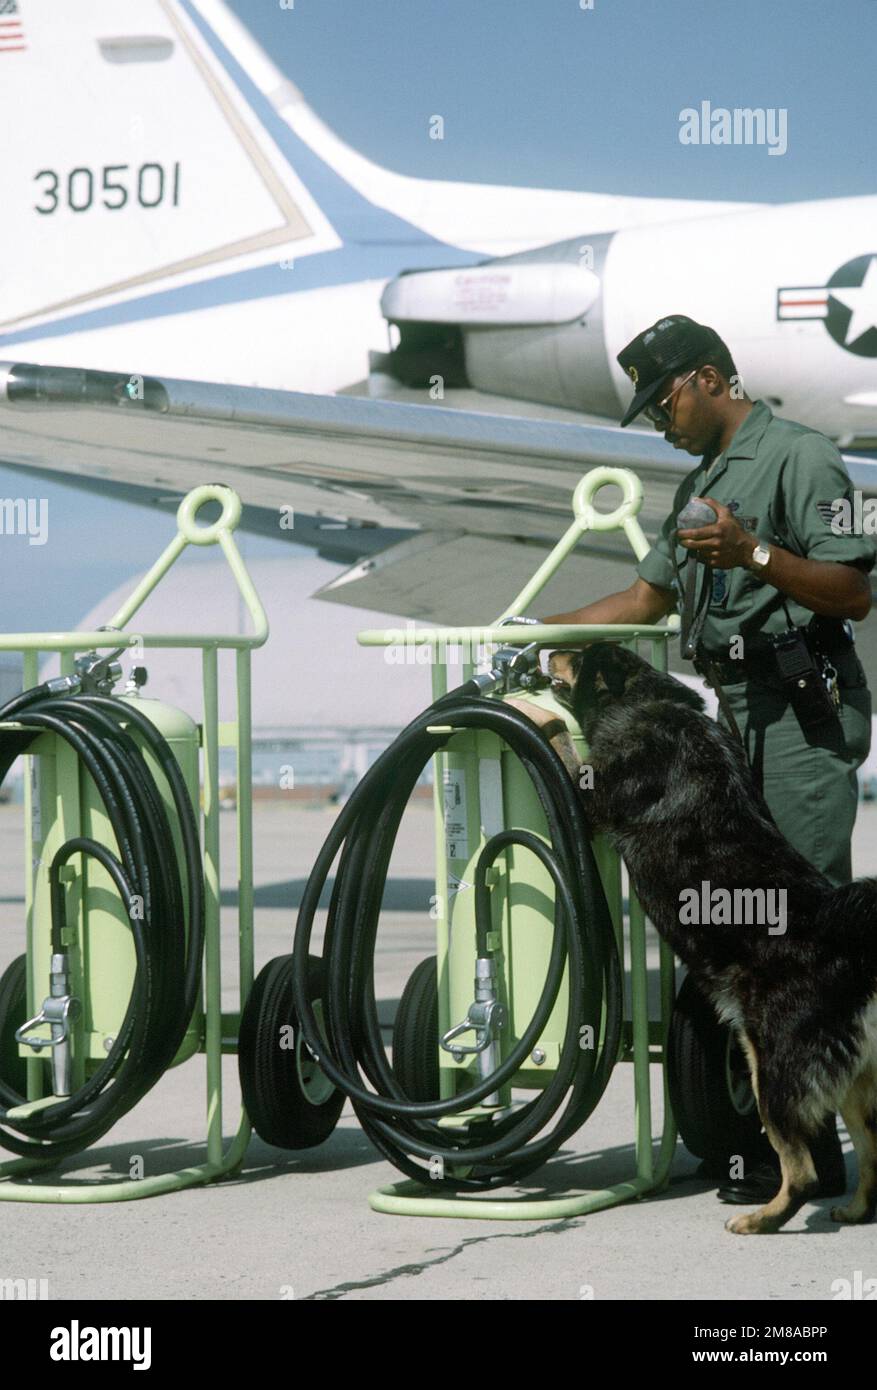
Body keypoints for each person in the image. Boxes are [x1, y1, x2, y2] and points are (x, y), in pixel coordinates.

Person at [537, 314, 875, 1204]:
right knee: (741, 930)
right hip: (733, 720)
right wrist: (532, 633)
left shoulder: (807, 460)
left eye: (662, 401)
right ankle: (776, 1133)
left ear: (707, 378)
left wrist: (751, 552)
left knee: (802, 938)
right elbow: (646, 596)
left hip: (801, 719)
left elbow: (853, 590)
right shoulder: (700, 483)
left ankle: (817, 1155)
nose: (659, 421)